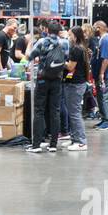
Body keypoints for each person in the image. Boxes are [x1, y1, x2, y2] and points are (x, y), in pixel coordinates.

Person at [27, 19, 69, 153]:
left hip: (42, 79)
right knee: (55, 111)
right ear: (59, 31)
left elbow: (30, 56)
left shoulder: (41, 42)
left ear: (47, 30)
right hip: (57, 79)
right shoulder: (65, 43)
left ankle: (36, 145)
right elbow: (66, 59)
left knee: (39, 111)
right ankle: (53, 145)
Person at [62, 25, 90, 151]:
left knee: (74, 113)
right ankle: (74, 139)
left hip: (75, 84)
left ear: (75, 36)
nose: (69, 37)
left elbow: (70, 67)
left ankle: (81, 141)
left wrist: (60, 61)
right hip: (77, 83)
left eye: (70, 35)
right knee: (73, 112)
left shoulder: (76, 49)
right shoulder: (81, 48)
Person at [94, 20, 108, 129]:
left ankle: (107, 121)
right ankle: (103, 119)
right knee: (100, 96)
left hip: (106, 74)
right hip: (104, 73)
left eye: (94, 27)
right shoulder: (103, 39)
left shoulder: (106, 40)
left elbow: (106, 59)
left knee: (104, 96)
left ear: (99, 28)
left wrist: (102, 73)